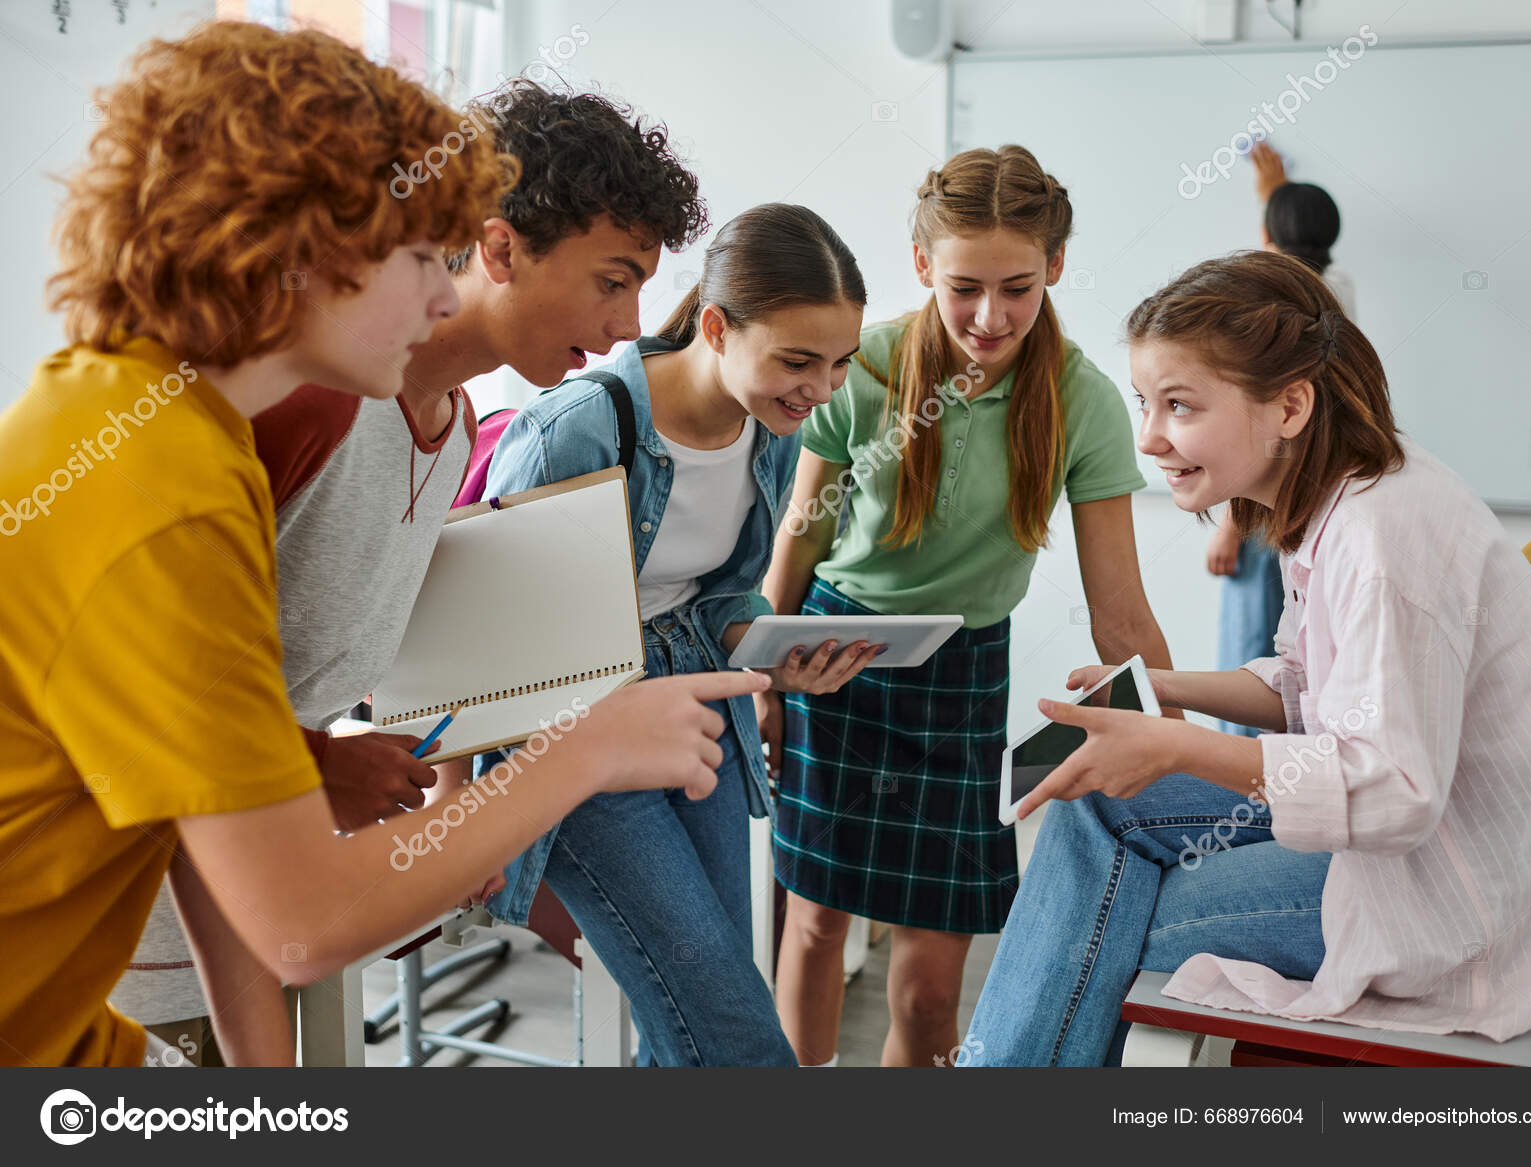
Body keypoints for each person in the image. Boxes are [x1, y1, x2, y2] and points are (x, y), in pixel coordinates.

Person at [0, 20, 762, 1068]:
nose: (444, 293)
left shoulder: (173, 434)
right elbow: (294, 911)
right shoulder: (163, 474)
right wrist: (582, 749)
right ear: (296, 248)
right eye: (414, 257)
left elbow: (204, 789)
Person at [966, 250, 1531, 1066]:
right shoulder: (1343, 501)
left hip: (1453, 896)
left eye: (1181, 406)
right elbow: (1307, 687)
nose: (1151, 437)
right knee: (1091, 803)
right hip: (1415, 841)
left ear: (1291, 405)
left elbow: (1396, 790)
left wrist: (1179, 744)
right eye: (1145, 404)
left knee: (1095, 912)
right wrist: (1161, 689)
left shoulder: (1381, 541)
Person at [765, 145, 1178, 1067]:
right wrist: (765, 672)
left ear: (1055, 270)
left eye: (1017, 288)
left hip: (961, 674)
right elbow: (799, 531)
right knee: (816, 929)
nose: (989, 317)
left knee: (928, 986)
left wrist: (1173, 728)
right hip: (830, 657)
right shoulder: (860, 367)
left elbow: (1121, 611)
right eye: (964, 288)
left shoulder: (1084, 399)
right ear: (922, 267)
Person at [480, 204, 874, 1066]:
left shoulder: (769, 427)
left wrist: (778, 651)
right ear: (717, 327)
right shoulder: (577, 427)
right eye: (798, 361)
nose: (820, 390)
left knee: (695, 1022)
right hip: (585, 731)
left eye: (840, 364)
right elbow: (489, 630)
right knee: (735, 1039)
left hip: (699, 714)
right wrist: (458, 808)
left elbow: (721, 598)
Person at [1208, 143, 1355, 737]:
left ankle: (1237, 786)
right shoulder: (1337, 288)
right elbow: (1292, 258)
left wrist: (1227, 525)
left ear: (1270, 237)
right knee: (1299, 656)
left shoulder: (1267, 300)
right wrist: (1278, 196)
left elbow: (1254, 427)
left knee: (1250, 654)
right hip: (1317, 490)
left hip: (1264, 501)